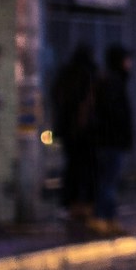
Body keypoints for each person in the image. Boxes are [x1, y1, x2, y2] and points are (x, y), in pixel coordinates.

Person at [52, 43, 99, 229]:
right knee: (87, 168)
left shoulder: (66, 75)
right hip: (85, 132)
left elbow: (56, 96)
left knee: (72, 167)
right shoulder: (89, 74)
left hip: (69, 131)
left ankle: (70, 203)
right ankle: (85, 203)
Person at [90, 46, 133, 233]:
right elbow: (113, 114)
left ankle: (109, 218)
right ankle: (102, 217)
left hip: (109, 140)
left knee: (109, 181)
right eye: (126, 59)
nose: (129, 64)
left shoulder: (112, 81)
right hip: (110, 141)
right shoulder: (113, 83)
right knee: (108, 181)